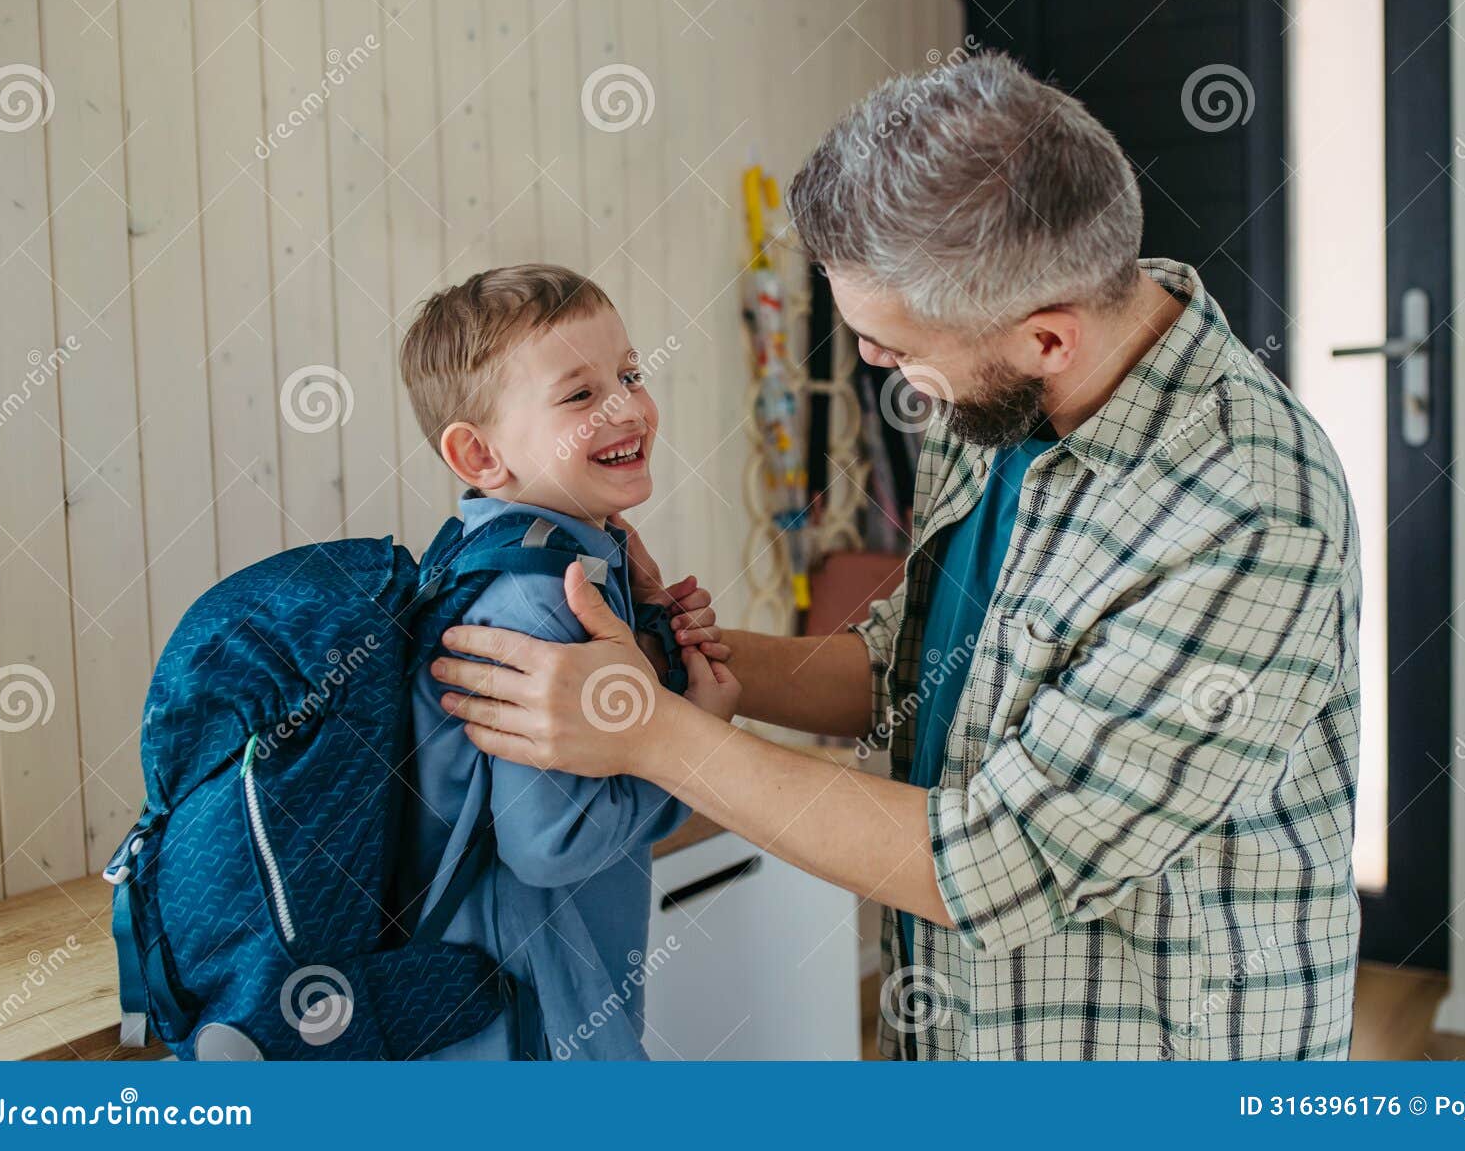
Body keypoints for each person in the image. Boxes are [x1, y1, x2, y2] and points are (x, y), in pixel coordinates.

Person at [432, 54, 1362, 1061]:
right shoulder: (994, 396)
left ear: (1046, 337)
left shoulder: (1246, 513)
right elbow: (911, 668)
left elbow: (1005, 860)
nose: (873, 361)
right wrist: (667, 659)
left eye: (890, 342)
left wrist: (652, 734)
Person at [397, 264, 740, 1059]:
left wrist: (655, 649)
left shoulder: (546, 559)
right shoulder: (535, 602)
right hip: (535, 1008)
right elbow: (546, 842)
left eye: (629, 374)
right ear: (479, 454)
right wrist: (692, 747)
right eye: (581, 395)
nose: (627, 406)